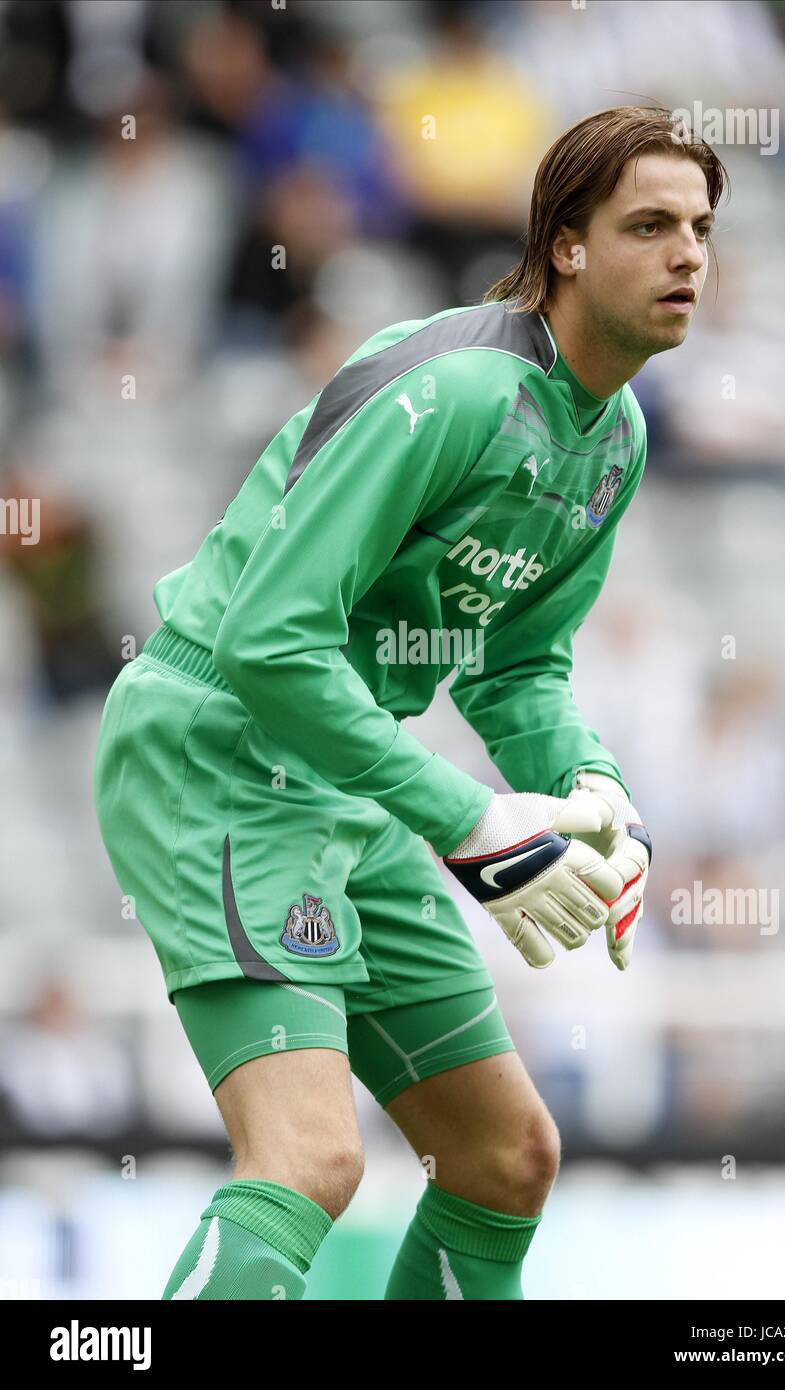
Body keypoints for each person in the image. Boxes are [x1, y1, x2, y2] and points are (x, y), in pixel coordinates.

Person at [93, 105, 728, 1300]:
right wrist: (467, 816)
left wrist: (599, 785)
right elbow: (269, 641)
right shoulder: (453, 392)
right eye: (648, 224)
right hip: (219, 745)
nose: (688, 252)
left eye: (700, 227)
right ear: (564, 248)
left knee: (504, 1156)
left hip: (347, 768)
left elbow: (515, 665)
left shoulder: (616, 438)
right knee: (311, 1160)